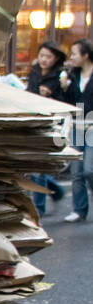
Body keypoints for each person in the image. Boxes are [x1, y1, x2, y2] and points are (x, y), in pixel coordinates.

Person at [26, 43, 67, 214]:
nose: (44, 59)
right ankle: (55, 189)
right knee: (33, 164)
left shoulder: (60, 75)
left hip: (52, 122)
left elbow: (66, 99)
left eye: (48, 56)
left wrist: (53, 93)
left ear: (56, 58)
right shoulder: (34, 71)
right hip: (33, 120)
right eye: (42, 55)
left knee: (39, 164)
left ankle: (39, 207)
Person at [60, 38, 93, 222]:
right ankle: (79, 210)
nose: (71, 57)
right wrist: (64, 87)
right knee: (76, 170)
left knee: (89, 169)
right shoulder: (72, 76)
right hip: (76, 125)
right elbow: (66, 100)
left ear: (85, 55)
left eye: (74, 53)